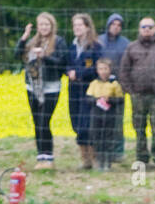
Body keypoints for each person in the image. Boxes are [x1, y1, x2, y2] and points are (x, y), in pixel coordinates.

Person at [118, 17, 155, 170]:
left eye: (150, 27)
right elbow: (124, 71)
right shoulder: (131, 48)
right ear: (139, 29)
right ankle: (142, 159)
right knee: (139, 129)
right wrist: (130, 91)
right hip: (138, 95)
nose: (147, 30)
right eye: (144, 27)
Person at [15, 13, 69, 169]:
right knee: (36, 121)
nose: (44, 27)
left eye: (47, 24)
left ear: (52, 26)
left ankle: (49, 158)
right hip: (33, 87)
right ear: (37, 27)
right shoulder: (32, 41)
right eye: (41, 25)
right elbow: (17, 55)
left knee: (44, 121)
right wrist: (24, 38)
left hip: (51, 88)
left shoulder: (59, 42)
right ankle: (41, 157)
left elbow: (62, 63)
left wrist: (45, 56)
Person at [66, 14, 101, 170]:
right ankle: (84, 159)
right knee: (76, 123)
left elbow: (98, 67)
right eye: (75, 25)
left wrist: (79, 73)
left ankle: (94, 157)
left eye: (80, 25)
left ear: (87, 27)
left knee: (88, 123)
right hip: (74, 89)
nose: (77, 28)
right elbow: (66, 63)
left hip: (89, 89)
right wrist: (69, 71)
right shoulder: (72, 46)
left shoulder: (95, 46)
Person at [86, 57, 124, 170]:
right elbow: (88, 98)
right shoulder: (94, 83)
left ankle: (108, 160)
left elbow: (120, 99)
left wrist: (110, 100)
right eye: (101, 69)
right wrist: (96, 100)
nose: (103, 71)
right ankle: (99, 160)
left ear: (110, 70)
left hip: (110, 114)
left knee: (108, 137)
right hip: (96, 114)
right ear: (97, 70)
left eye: (105, 69)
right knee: (97, 137)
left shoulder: (115, 84)